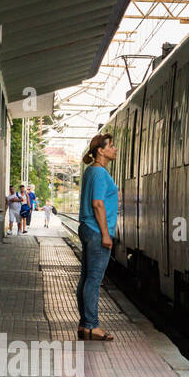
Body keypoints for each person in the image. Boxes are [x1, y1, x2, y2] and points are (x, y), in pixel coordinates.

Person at [77, 133, 118, 342]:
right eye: (111, 146)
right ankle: (92, 326)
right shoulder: (100, 173)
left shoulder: (90, 171)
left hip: (87, 228)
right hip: (96, 230)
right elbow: (98, 204)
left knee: (86, 278)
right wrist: (105, 234)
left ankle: (85, 324)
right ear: (100, 151)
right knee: (93, 280)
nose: (115, 149)